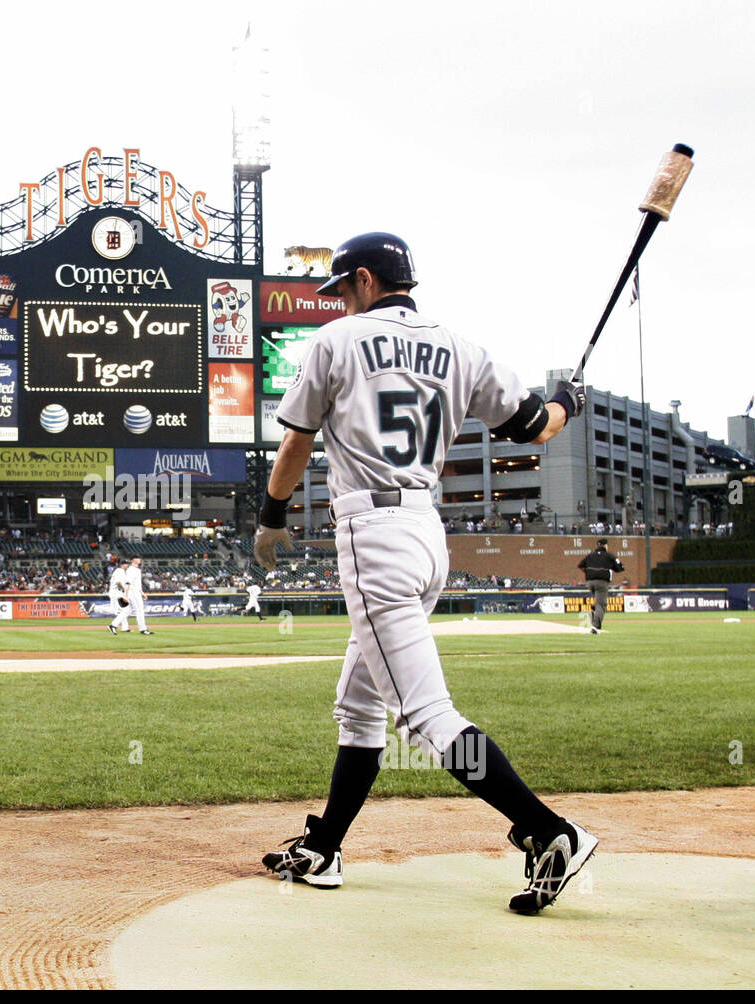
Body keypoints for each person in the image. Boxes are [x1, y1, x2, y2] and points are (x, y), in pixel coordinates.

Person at [254, 231, 596, 915]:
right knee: (358, 704)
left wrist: (271, 516)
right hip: (426, 533)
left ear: (366, 280)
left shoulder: (336, 341)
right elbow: (536, 426)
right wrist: (569, 400)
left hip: (374, 536)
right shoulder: (463, 347)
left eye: (344, 288)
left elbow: (296, 440)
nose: (341, 301)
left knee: (425, 715)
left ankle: (549, 832)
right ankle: (325, 847)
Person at [578, 538, 625, 634]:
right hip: (601, 582)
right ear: (605, 546)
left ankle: (593, 613)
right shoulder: (609, 555)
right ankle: (595, 627)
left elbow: (580, 565)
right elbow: (620, 568)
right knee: (601, 605)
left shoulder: (590, 555)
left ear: (597, 546)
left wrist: (588, 572)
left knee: (598, 602)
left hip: (590, 582)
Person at [126, 555, 151, 635]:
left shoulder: (137, 570)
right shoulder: (131, 570)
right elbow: (128, 583)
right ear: (133, 560)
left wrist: (142, 593)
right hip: (133, 592)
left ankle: (113, 625)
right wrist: (125, 595)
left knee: (128, 611)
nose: (139, 559)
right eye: (137, 558)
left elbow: (137, 584)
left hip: (136, 592)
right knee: (139, 610)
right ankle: (143, 629)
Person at [108, 558, 132, 635]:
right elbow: (118, 582)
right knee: (125, 610)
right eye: (127, 564)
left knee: (124, 610)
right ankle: (113, 625)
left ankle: (125, 628)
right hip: (116, 592)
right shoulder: (119, 571)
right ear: (122, 564)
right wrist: (124, 591)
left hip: (117, 592)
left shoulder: (122, 571)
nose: (128, 565)